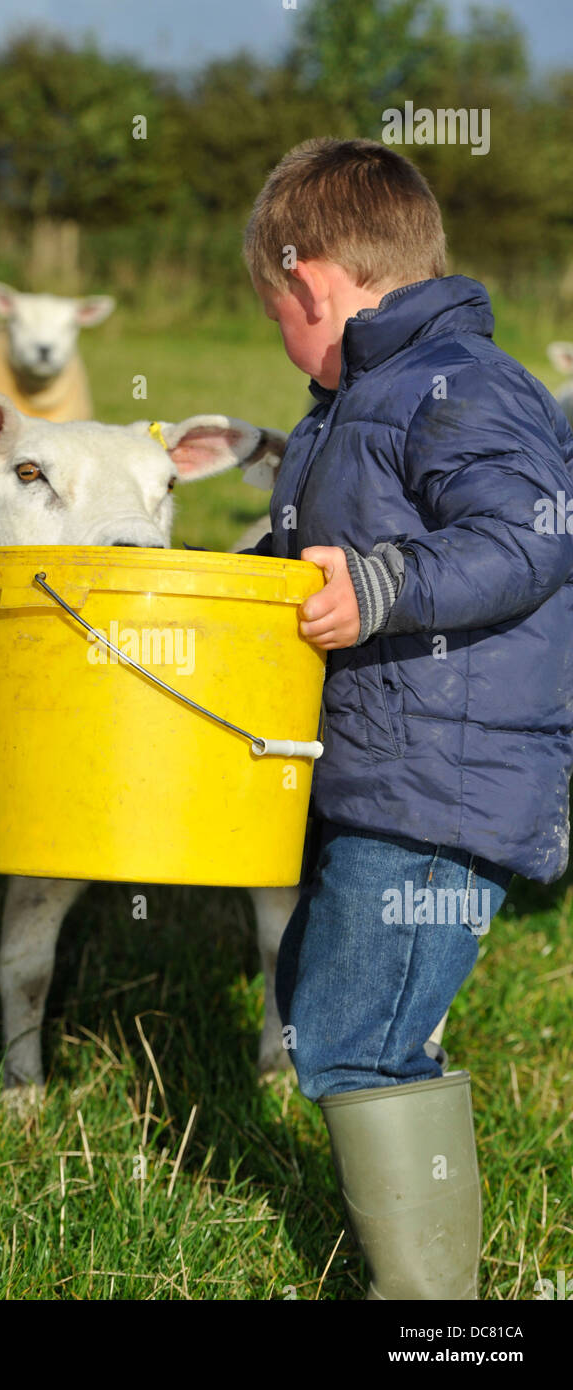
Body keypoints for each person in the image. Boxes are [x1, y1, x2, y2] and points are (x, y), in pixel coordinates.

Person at [242, 136, 573, 1300]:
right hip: (383, 768)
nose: (279, 340)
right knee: (334, 1001)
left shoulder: (463, 387)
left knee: (354, 1037)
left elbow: (531, 534)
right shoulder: (361, 398)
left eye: (273, 311)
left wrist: (382, 585)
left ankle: (431, 1313)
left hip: (443, 786)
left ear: (310, 283)